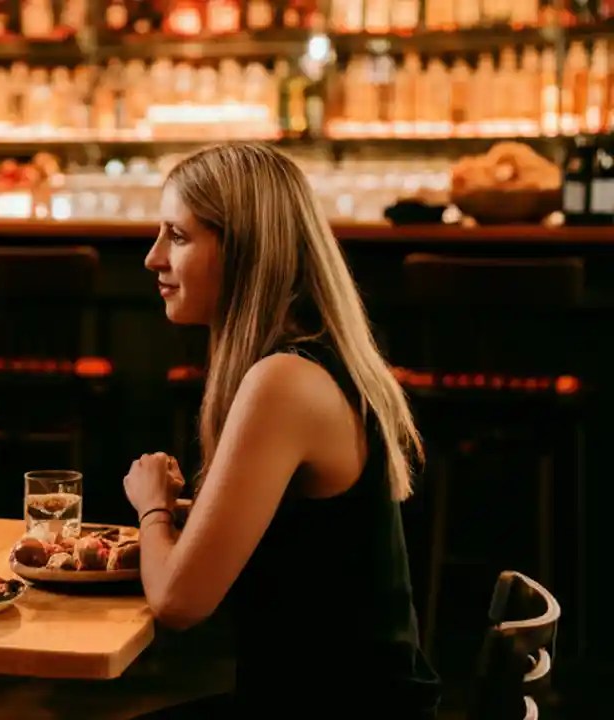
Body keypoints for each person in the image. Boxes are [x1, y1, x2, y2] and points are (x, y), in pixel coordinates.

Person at [124, 143, 441, 719]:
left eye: (178, 235)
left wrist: (153, 507)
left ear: (244, 248)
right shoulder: (306, 362)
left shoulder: (284, 381)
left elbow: (177, 602)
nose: (153, 258)